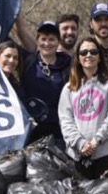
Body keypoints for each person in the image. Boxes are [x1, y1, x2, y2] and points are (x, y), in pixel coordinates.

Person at [59, 37, 108, 178]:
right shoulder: (69, 88)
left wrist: (97, 140)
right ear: (78, 58)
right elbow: (66, 121)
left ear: (99, 57)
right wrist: (80, 143)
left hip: (107, 153)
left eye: (93, 52)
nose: (88, 55)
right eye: (84, 53)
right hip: (78, 155)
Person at [19, 20, 72, 149]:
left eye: (52, 39)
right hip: (31, 135)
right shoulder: (28, 61)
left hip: (60, 135)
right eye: (43, 39)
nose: (47, 43)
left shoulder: (69, 65)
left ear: (58, 41)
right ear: (37, 40)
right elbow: (5, 42)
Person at [88, 2, 108, 68]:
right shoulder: (86, 52)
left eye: (107, 19)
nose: (103, 24)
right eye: (98, 20)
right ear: (91, 24)